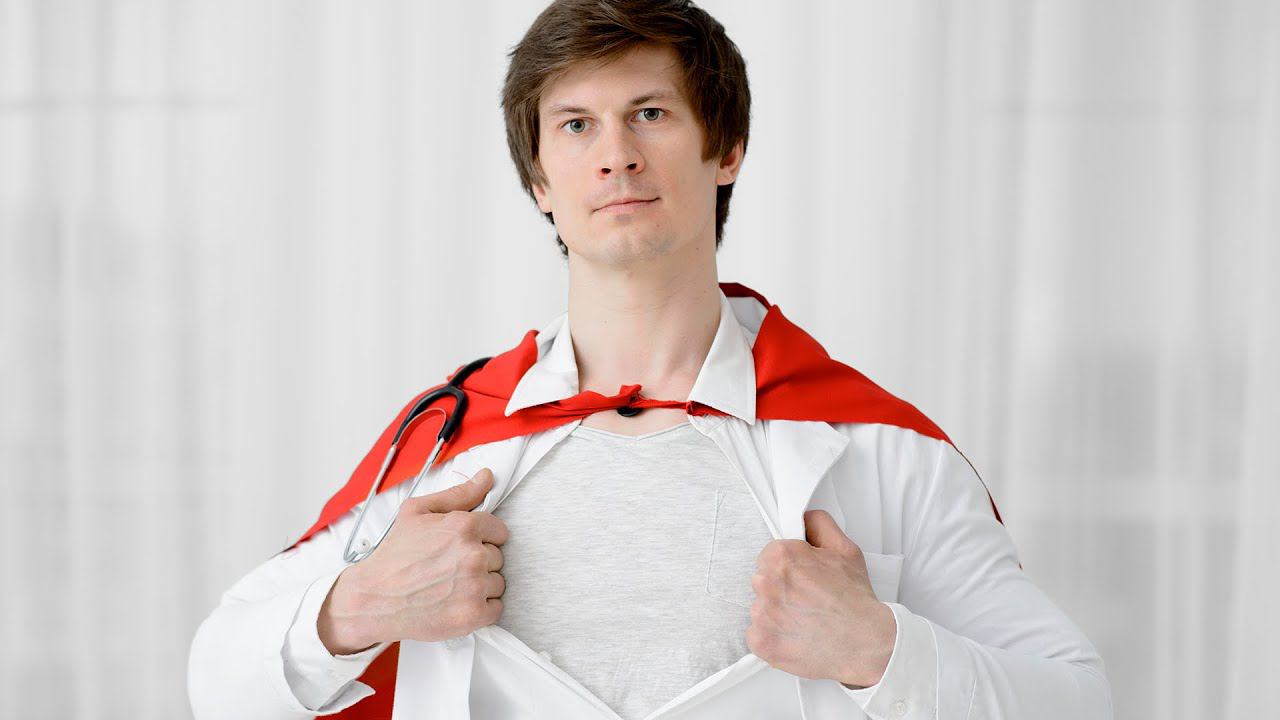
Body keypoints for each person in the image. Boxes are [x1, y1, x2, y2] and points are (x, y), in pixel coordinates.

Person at [188, 1, 1113, 718]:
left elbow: (1076, 699)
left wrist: (879, 650)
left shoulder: (883, 451)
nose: (617, 156)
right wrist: (357, 607)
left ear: (727, 149)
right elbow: (217, 680)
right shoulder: (446, 445)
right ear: (540, 183)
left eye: (650, 113)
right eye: (576, 125)